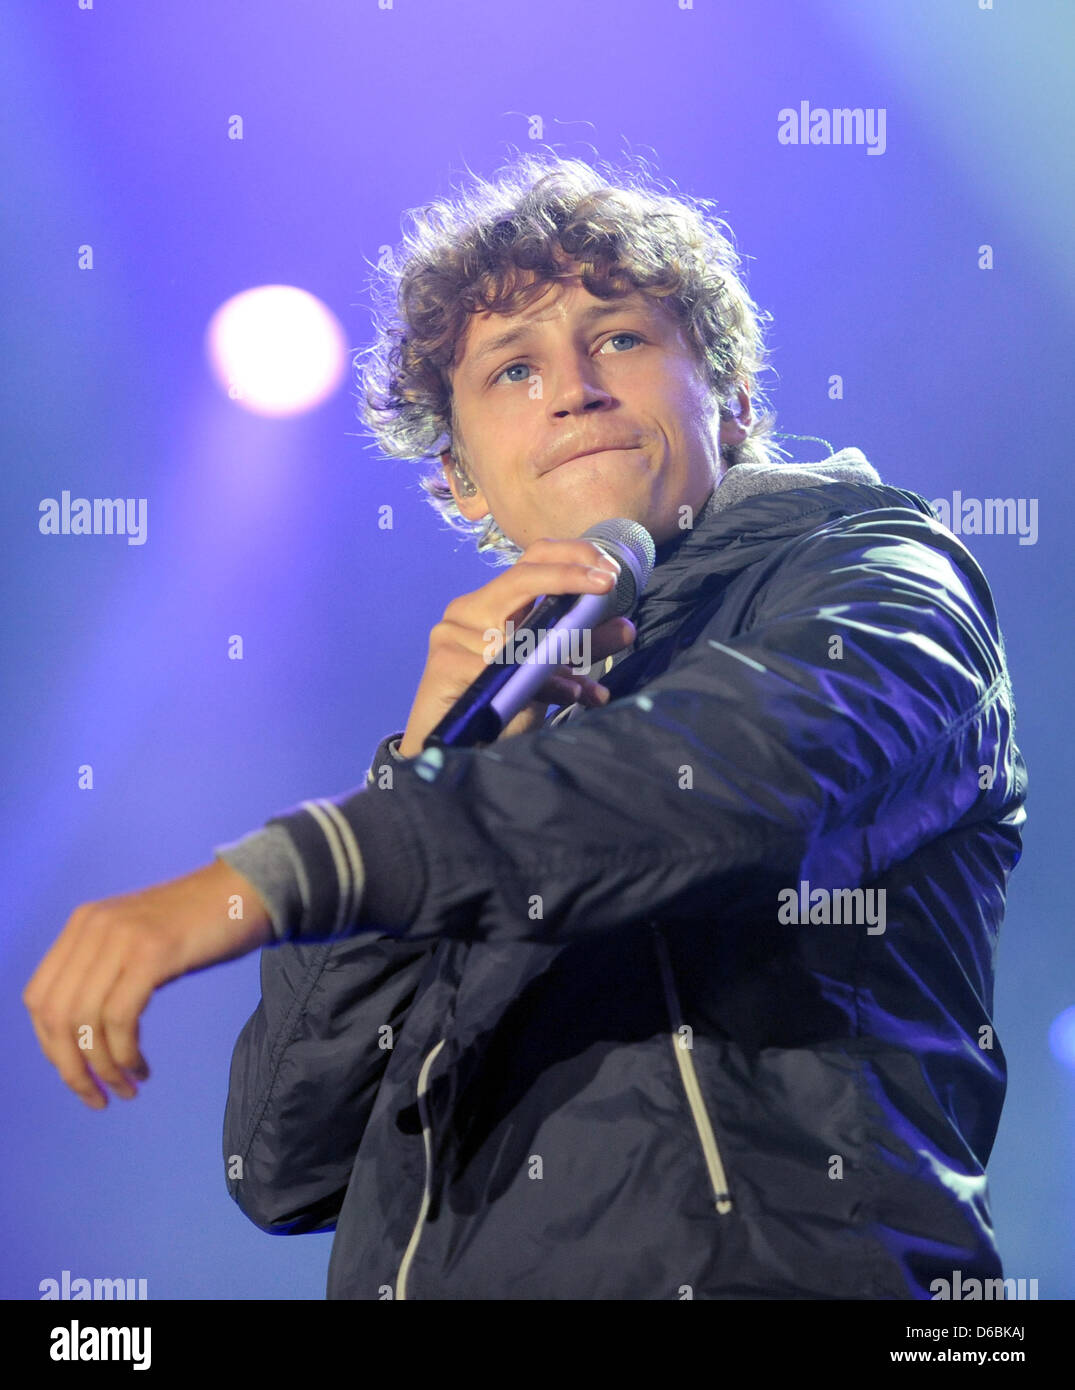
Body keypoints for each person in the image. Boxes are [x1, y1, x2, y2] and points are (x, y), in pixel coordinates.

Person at [24, 153, 1027, 1301]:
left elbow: (713, 787)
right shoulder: (478, 754)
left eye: (619, 340)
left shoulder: (873, 576)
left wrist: (296, 868)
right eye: (511, 368)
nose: (571, 388)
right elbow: (282, 1168)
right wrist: (422, 763)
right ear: (459, 483)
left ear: (736, 403)